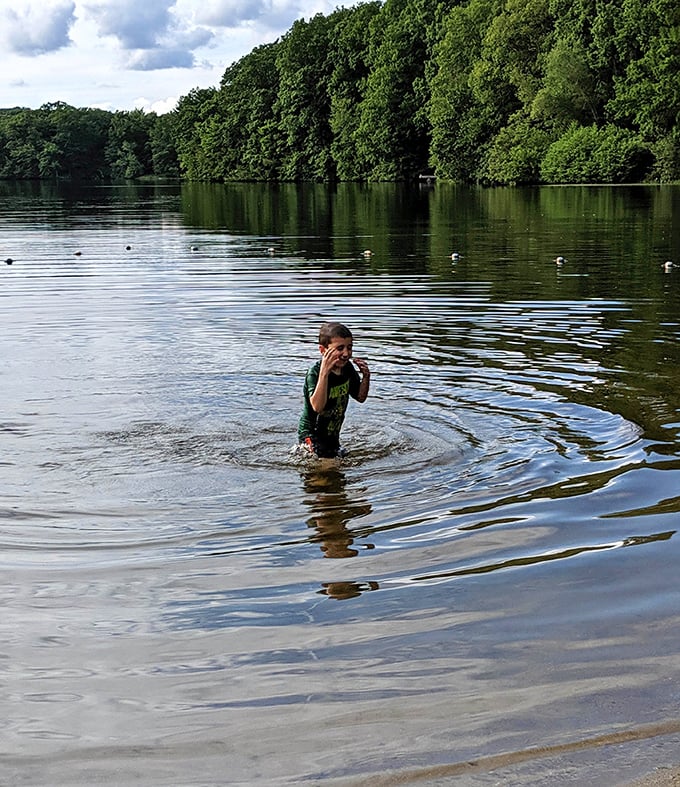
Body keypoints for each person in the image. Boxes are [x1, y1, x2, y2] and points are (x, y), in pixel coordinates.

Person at [297, 322, 370, 458]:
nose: (346, 354)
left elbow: (360, 397)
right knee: (328, 468)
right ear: (323, 350)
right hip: (312, 436)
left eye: (349, 348)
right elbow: (317, 407)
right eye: (340, 348)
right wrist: (324, 373)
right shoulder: (315, 373)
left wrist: (366, 377)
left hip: (332, 435)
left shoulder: (347, 368)